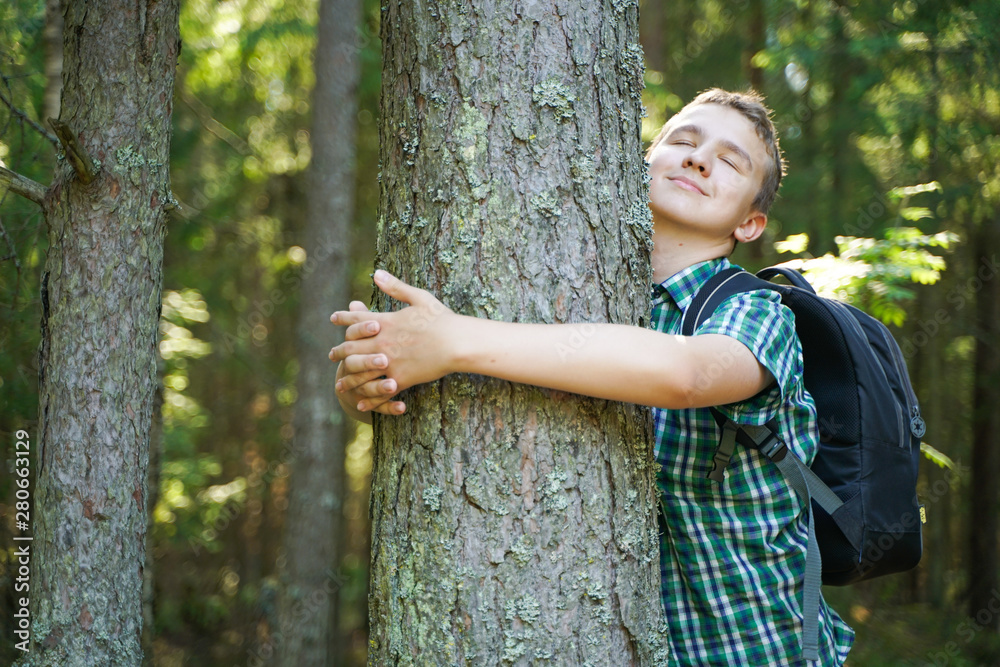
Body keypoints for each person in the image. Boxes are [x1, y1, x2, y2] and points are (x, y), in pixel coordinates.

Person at [328, 88, 854, 665]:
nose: (699, 158)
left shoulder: (754, 313)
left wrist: (453, 341)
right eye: (683, 140)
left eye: (730, 162)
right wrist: (376, 380)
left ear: (751, 223)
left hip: (758, 649)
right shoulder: (592, 286)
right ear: (641, 163)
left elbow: (687, 375)